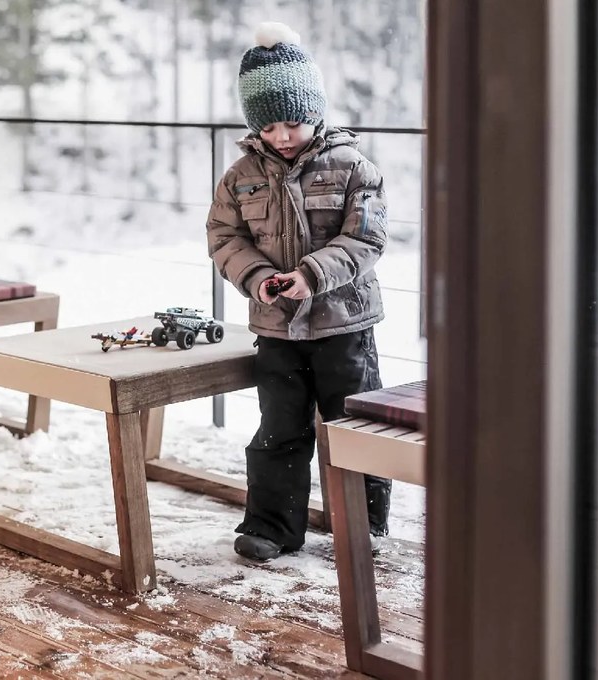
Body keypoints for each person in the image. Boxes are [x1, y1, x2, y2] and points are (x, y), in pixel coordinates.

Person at [206, 22, 392, 561]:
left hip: (345, 325)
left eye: (295, 122)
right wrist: (257, 277)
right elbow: (225, 236)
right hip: (277, 327)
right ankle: (271, 528)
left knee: (354, 426)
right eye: (270, 127)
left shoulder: (354, 167)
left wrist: (312, 273)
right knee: (279, 430)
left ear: (316, 113)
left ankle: (364, 525)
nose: (284, 135)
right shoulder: (240, 176)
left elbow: (367, 237)